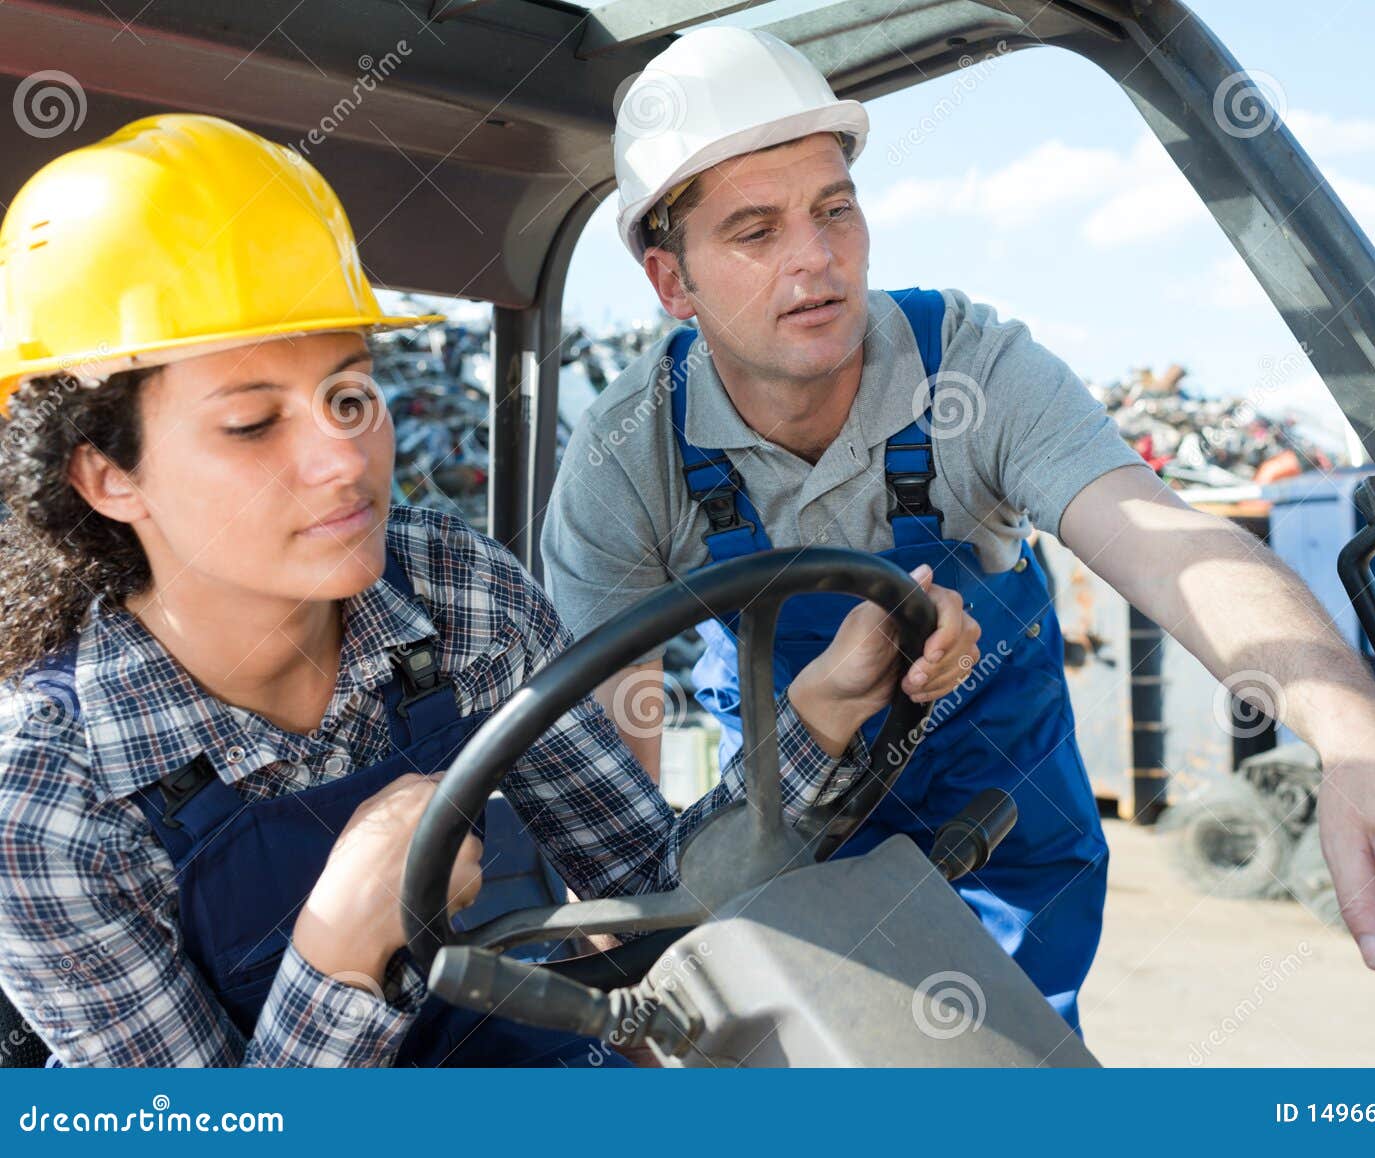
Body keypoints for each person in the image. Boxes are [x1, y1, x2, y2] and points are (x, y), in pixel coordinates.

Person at [542, 27, 1375, 1035]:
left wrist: (1358, 736)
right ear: (670, 281)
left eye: (835, 209)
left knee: (1012, 1069)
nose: (816, 261)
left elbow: (1169, 544)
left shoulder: (975, 372)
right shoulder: (628, 458)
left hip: (1000, 832)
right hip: (785, 826)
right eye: (755, 231)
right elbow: (603, 789)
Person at [0, 113, 981, 1067]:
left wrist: (816, 718)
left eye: (350, 394)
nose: (345, 458)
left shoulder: (446, 588)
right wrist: (340, 960)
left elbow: (648, 889)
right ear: (106, 477)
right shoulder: (46, 797)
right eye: (255, 424)